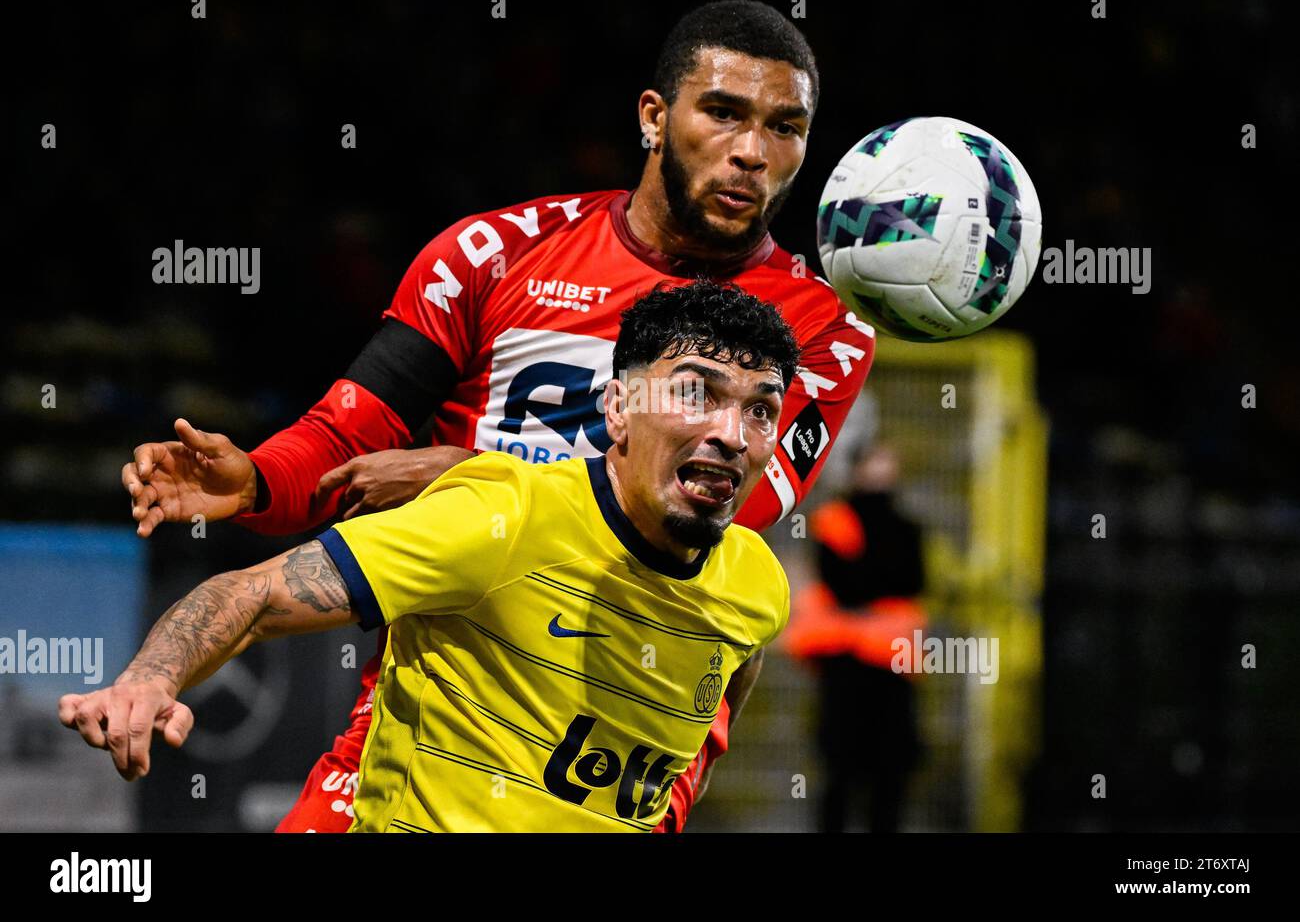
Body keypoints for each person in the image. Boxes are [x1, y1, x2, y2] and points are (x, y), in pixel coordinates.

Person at [120, 0, 875, 832]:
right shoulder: (494, 253)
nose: (751, 153)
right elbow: (346, 440)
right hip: (446, 701)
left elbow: (707, 506)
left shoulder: (821, 327)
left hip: (622, 732)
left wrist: (459, 472)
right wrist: (261, 478)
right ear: (655, 118)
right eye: (724, 113)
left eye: (785, 127)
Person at [66, 280, 797, 832]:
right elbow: (251, 596)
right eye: (696, 392)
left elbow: (709, 721)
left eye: (761, 408)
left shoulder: (756, 584)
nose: (733, 433)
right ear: (616, 410)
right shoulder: (503, 515)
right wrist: (147, 682)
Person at [784, 442, 926, 832]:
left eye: (887, 462)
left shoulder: (905, 527)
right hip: (847, 666)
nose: (881, 472)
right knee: (841, 770)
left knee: (890, 772)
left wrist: (868, 580)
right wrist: (876, 587)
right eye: (874, 463)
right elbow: (848, 585)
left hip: (889, 667)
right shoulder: (835, 520)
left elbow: (911, 580)